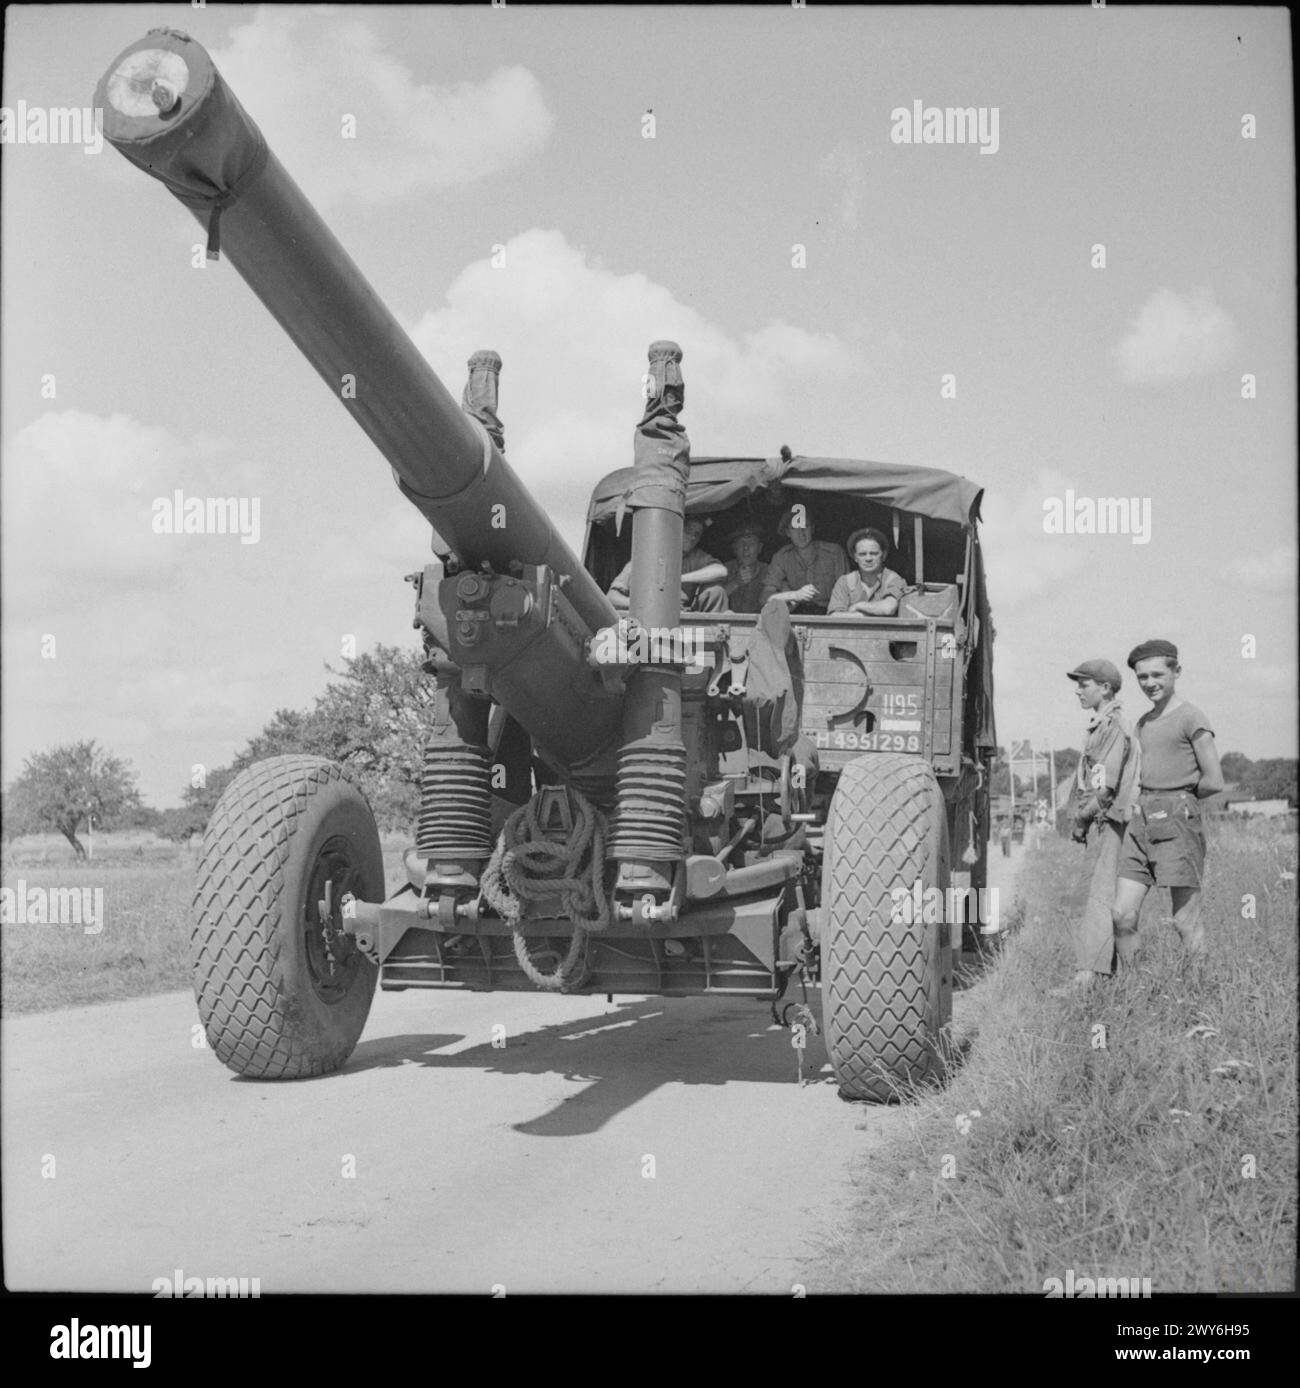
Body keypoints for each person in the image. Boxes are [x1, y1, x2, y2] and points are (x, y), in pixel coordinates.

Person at [1111, 640, 1223, 968]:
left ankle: (1202, 992)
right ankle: (1137, 990)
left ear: (1177, 672)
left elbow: (1214, 780)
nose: (1150, 683)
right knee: (1122, 915)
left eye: (1158, 674)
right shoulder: (1143, 723)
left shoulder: (1191, 717)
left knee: (1185, 920)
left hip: (1177, 817)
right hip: (1141, 819)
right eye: (1142, 677)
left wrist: (1179, 801)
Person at [1050, 658, 1140, 995]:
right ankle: (1099, 975)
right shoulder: (1103, 724)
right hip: (1104, 822)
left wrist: (1080, 821)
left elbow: (1103, 788)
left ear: (1105, 688)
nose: (1078, 690)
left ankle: (1089, 980)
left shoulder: (1112, 726)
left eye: (1084, 684)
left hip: (1108, 822)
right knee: (1096, 898)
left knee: (1099, 898)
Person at [606, 515, 729, 613]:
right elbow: (611, 598)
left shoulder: (695, 557)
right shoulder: (646, 556)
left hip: (683, 619)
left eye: (697, 534)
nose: (692, 537)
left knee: (716, 591)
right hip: (647, 617)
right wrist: (644, 604)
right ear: (676, 530)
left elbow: (720, 571)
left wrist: (678, 579)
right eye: (688, 531)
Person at [760, 505, 847, 614]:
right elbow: (765, 597)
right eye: (795, 528)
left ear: (813, 529)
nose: (801, 533)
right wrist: (794, 595)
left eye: (805, 526)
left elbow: (846, 593)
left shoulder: (833, 552)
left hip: (830, 613)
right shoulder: (782, 557)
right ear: (787, 533)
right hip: (796, 614)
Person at [828, 528, 908, 616]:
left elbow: (888, 608)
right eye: (862, 554)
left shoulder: (893, 579)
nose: (868, 559)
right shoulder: (844, 582)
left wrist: (858, 606)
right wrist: (860, 616)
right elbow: (834, 615)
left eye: (873, 553)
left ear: (884, 555)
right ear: (855, 557)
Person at [723, 520, 769, 614]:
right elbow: (712, 598)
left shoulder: (769, 571)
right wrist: (735, 582)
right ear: (734, 548)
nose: (746, 548)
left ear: (760, 548)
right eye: (741, 543)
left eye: (751, 543)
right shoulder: (724, 569)